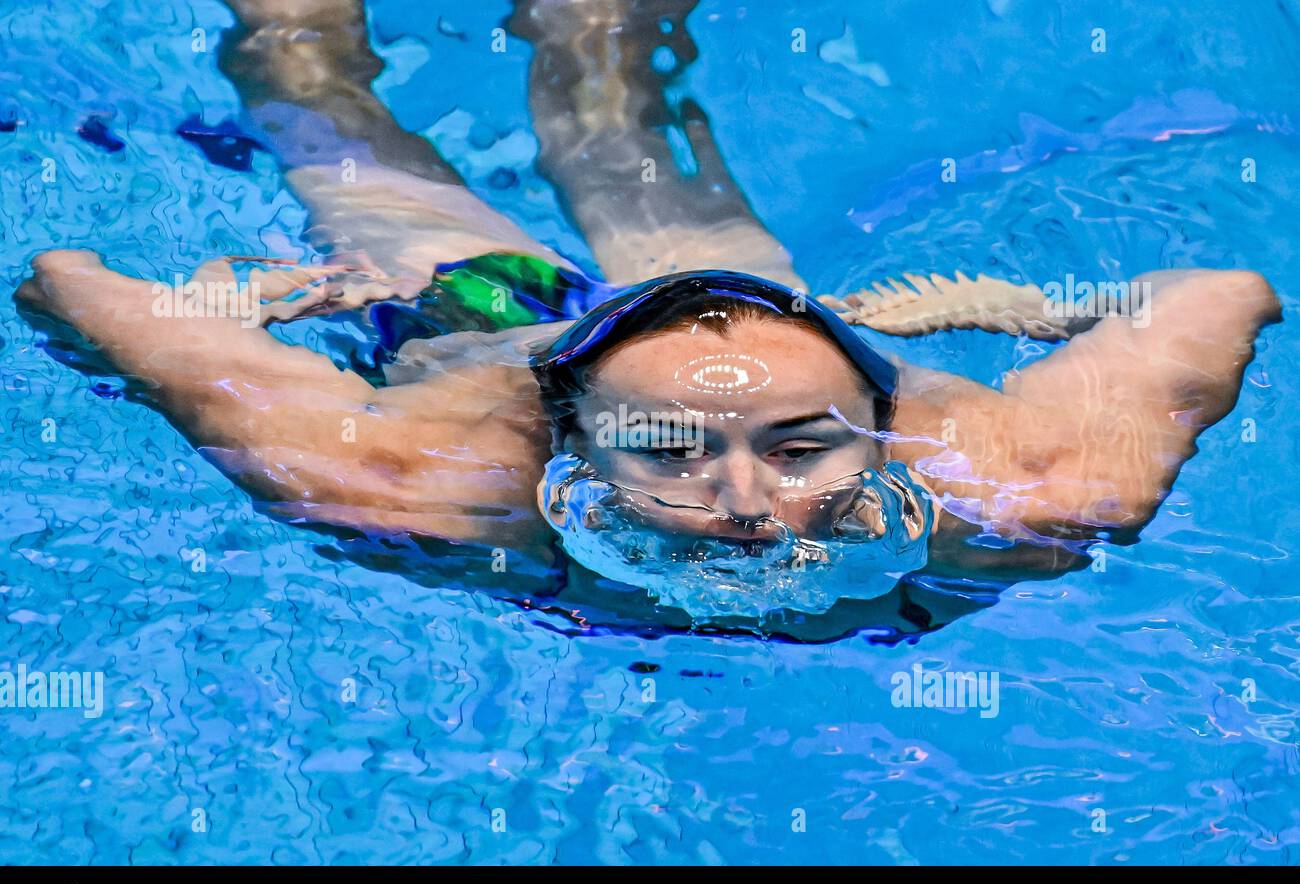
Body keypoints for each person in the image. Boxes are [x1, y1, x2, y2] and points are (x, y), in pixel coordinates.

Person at [14, 0, 1280, 640]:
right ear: (570, 459)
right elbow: (63, 279)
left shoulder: (1035, 483)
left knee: (611, 71)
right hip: (494, 320)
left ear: (877, 423)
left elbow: (1225, 290)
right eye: (668, 451)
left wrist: (1039, 309)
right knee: (316, 98)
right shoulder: (410, 476)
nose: (742, 501)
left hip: (778, 321)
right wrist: (225, 305)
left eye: (799, 447)